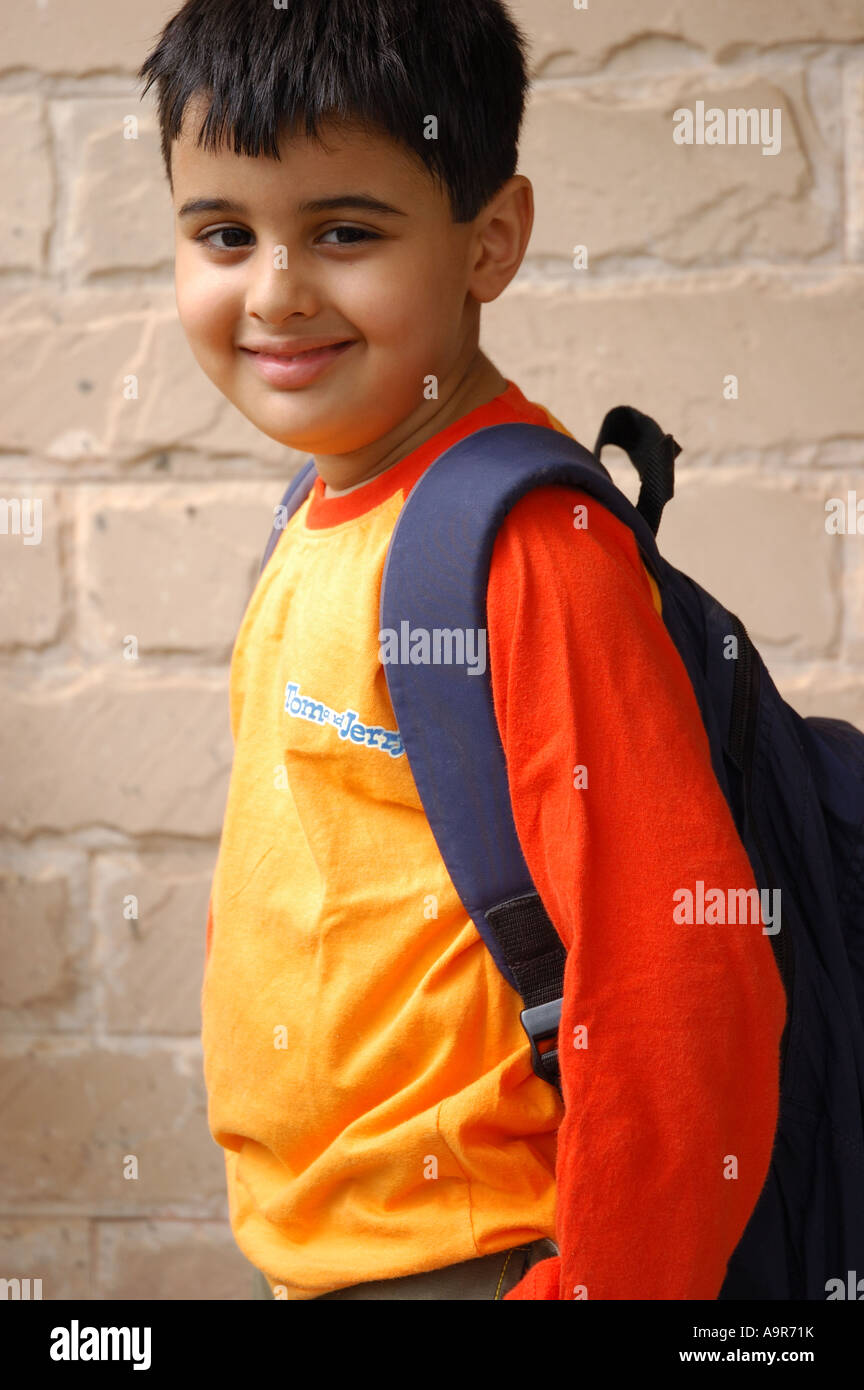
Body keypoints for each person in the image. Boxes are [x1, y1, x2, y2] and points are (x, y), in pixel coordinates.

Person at [137, 0, 787, 1301]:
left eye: (344, 232)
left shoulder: (522, 552)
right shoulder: (320, 507)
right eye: (224, 233)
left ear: (489, 241)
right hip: (332, 1253)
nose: (272, 290)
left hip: (481, 1260)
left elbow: (683, 981)